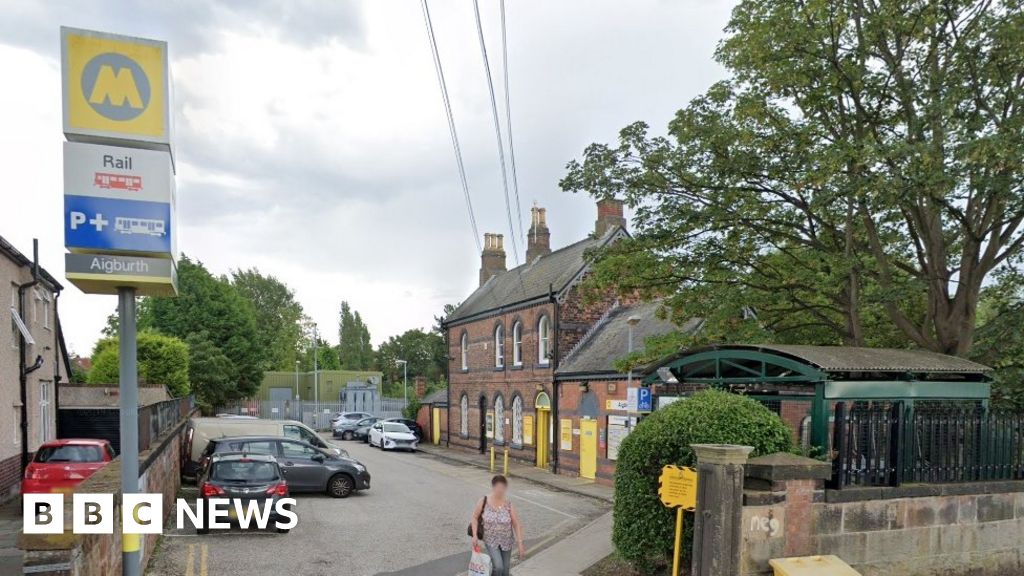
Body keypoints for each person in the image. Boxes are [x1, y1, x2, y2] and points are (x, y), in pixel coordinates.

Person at [470, 475, 526, 576]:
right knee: (498, 567)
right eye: (498, 487)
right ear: (493, 487)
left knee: (505, 572)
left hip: (506, 542)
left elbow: (516, 524)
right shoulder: (484, 501)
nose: (500, 490)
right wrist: (474, 536)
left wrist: (520, 543)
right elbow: (474, 517)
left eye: (502, 488)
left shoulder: (508, 504)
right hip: (491, 540)